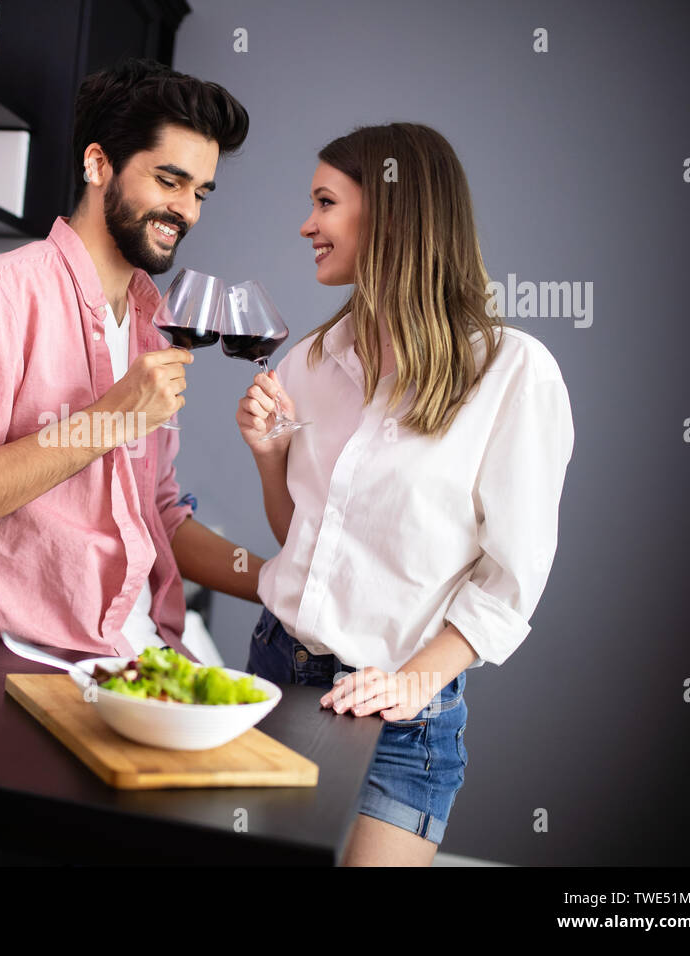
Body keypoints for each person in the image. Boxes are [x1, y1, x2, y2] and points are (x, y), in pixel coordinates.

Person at [235, 122, 575, 865]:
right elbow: (301, 540)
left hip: (400, 715)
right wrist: (269, 458)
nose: (306, 225)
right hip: (276, 669)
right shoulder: (309, 361)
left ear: (390, 212)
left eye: (325, 202)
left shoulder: (513, 373)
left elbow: (511, 580)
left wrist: (415, 682)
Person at [0, 58, 261, 660]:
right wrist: (109, 420)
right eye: (170, 181)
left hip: (138, 652)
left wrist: (284, 588)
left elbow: (157, 514)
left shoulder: (153, 324)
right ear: (98, 163)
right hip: (24, 664)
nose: (188, 210)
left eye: (200, 192)